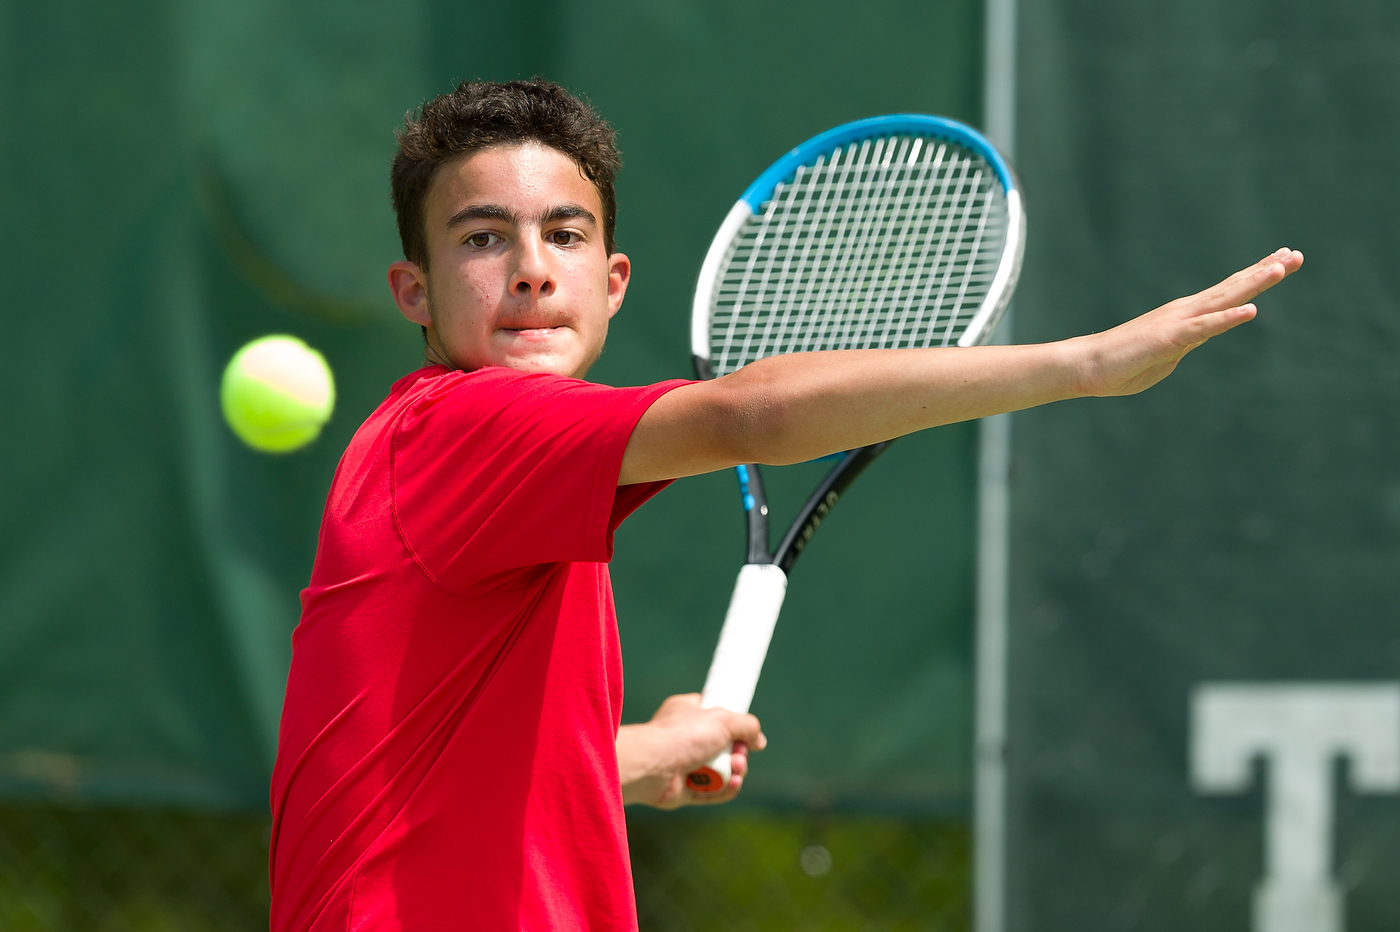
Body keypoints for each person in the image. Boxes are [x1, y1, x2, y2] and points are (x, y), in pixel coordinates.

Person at [268, 79, 1302, 931]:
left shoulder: (457, 463)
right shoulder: (459, 429)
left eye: (565, 234)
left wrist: (627, 755)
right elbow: (752, 416)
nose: (532, 271)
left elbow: (434, 781)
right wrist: (1084, 363)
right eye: (483, 239)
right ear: (415, 290)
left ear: (615, 277)